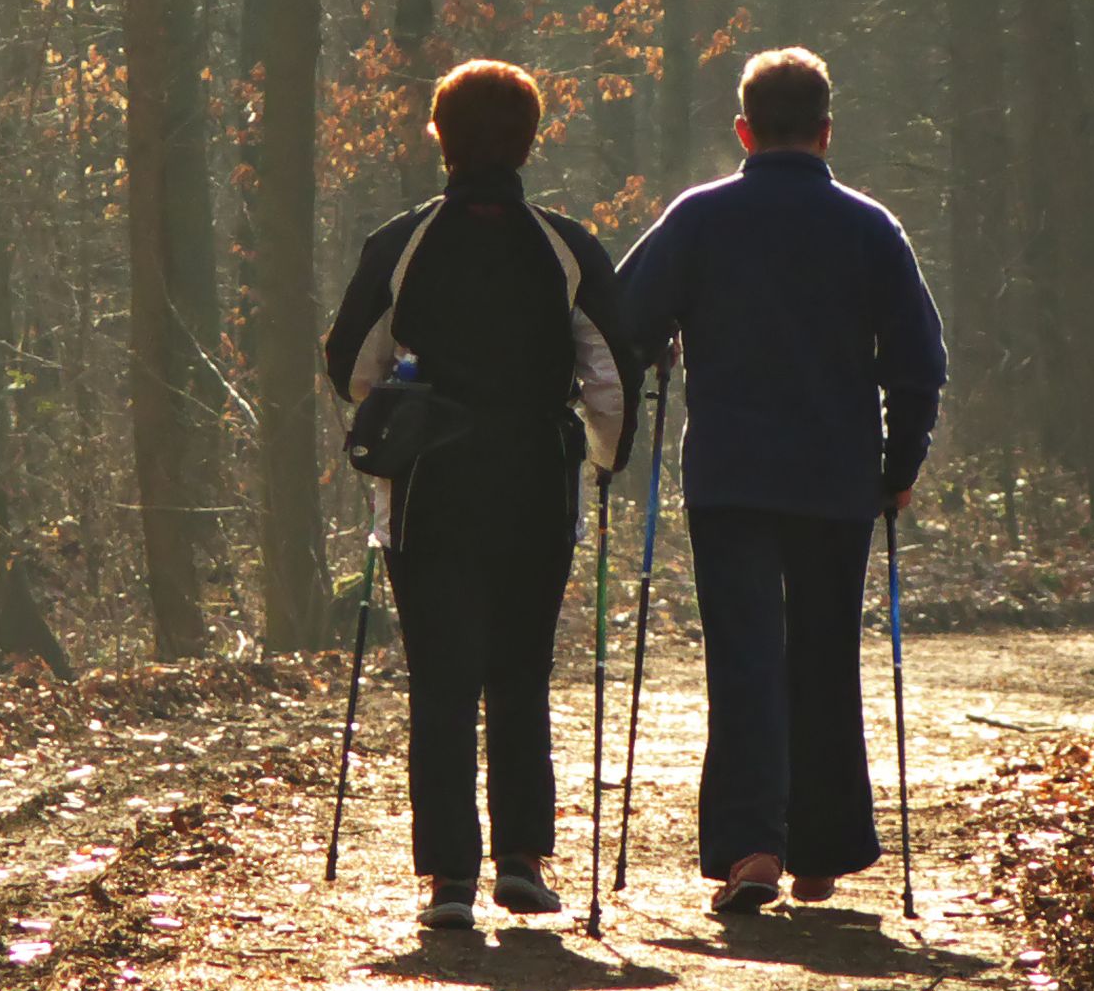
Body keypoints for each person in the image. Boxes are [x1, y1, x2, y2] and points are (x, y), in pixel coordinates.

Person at [614, 47, 947, 917]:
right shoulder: (870, 227)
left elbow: (622, 324)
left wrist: (661, 353)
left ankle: (751, 846)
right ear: (827, 131)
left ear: (743, 129)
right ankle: (821, 852)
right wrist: (898, 468)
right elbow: (918, 363)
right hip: (838, 478)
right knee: (825, 656)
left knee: (746, 657)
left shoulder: (699, 218)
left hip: (730, 477)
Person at [325, 61, 636, 931]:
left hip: (430, 488)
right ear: (530, 140)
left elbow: (351, 364)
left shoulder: (404, 242)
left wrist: (396, 409)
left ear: (440, 137)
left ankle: (449, 882)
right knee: (520, 670)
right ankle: (524, 864)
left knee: (443, 678)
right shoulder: (564, 244)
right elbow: (611, 369)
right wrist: (605, 460)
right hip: (537, 480)